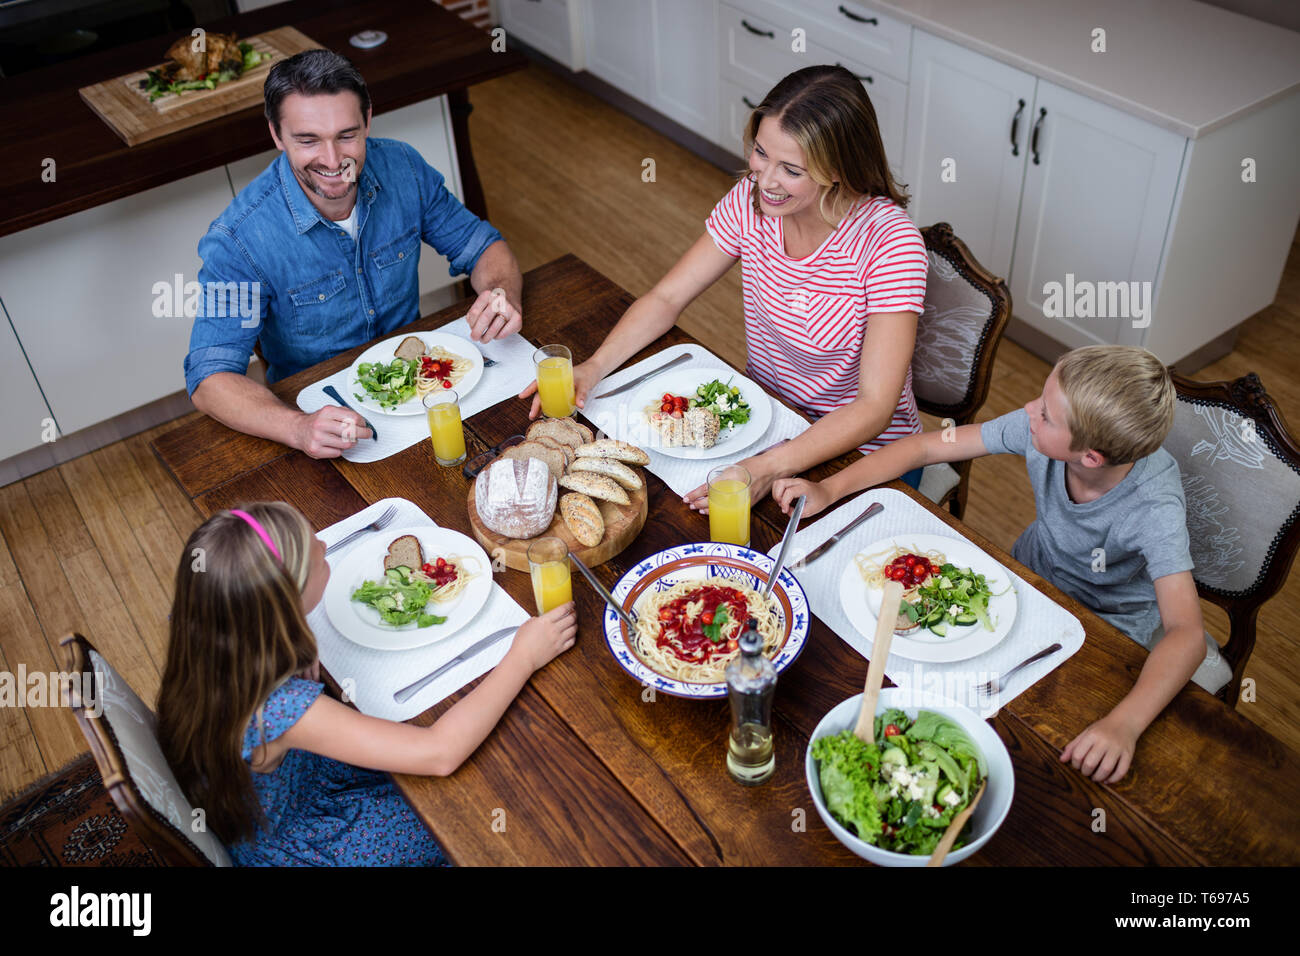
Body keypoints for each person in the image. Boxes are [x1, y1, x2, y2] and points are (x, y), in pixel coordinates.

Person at [774, 345, 1221, 785]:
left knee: (1031, 748)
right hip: (1028, 582)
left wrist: (1124, 725)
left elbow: (1186, 633)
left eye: (1045, 413)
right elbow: (926, 449)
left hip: (1103, 626)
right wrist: (829, 490)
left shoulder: (1153, 506)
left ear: (1090, 458)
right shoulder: (1040, 427)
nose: (1029, 410)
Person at [518, 65, 928, 506]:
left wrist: (769, 467)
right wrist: (594, 368)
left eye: (791, 169)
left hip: (861, 460)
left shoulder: (890, 243)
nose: (766, 180)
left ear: (838, 169)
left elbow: (874, 406)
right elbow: (667, 297)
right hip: (766, 422)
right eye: (761, 153)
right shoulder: (750, 200)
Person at [156, 501, 576, 866]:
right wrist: (523, 657)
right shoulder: (280, 708)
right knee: (474, 815)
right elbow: (440, 753)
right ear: (284, 606)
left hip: (273, 795)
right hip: (309, 839)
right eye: (316, 556)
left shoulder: (206, 631)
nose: (324, 546)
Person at [184, 49, 524, 459]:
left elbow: (484, 247)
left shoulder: (404, 167)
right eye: (308, 140)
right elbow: (210, 377)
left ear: (367, 121)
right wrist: (297, 427)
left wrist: (502, 293)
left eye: (347, 135)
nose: (333, 161)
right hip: (322, 420)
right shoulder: (238, 239)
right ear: (276, 134)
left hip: (428, 393)